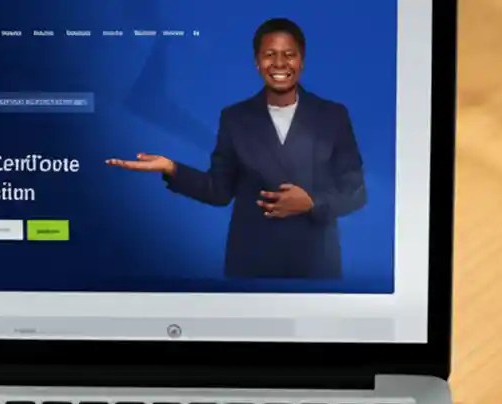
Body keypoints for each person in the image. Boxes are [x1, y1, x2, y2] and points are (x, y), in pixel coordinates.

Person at [107, 18, 367, 279]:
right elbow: (219, 191)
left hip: (315, 268)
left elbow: (355, 192)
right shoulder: (235, 118)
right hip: (252, 267)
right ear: (257, 62)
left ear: (302, 61)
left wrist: (311, 203)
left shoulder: (332, 116)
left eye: (289, 54)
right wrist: (172, 169)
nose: (279, 63)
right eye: (270, 54)